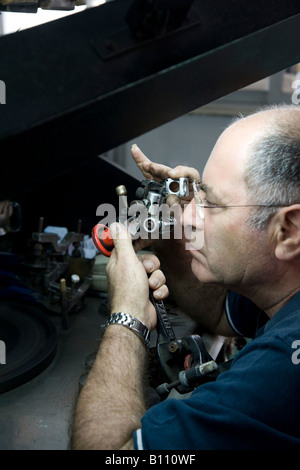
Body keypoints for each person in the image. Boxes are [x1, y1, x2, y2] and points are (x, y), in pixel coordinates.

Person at [71, 104, 300, 450]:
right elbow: (224, 315)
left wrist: (127, 318)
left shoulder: (282, 366)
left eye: (211, 203)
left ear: (288, 230)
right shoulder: (283, 283)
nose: (190, 216)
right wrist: (173, 238)